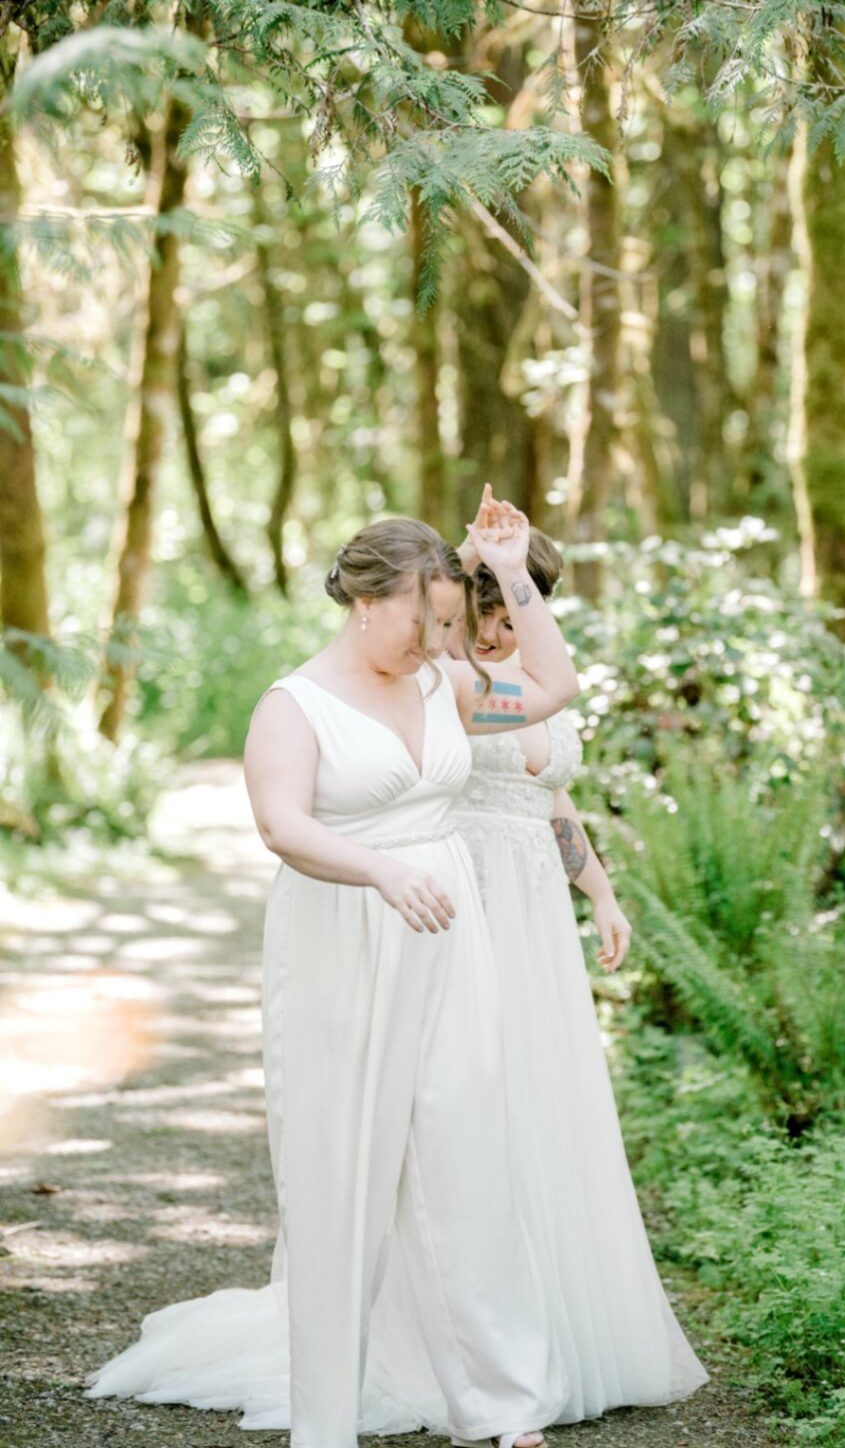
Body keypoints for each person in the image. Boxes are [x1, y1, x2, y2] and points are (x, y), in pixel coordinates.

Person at [86, 510, 579, 1448]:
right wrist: (382, 870)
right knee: (339, 1174)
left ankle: (507, 1410)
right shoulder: (294, 705)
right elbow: (283, 826)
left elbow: (554, 686)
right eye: (422, 619)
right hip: (340, 941)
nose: (436, 638)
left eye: (445, 619)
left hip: (446, 943)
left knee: (468, 1157)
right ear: (364, 599)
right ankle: (327, 1421)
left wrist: (512, 572)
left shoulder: (446, 689)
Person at [449, 492, 709, 1421]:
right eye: (478, 606)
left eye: (507, 607)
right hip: (462, 901)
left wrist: (598, 891)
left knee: (539, 1095)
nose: (491, 626)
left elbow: (552, 803)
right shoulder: (449, 679)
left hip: (532, 919)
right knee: (469, 1096)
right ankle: (468, 1332)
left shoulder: (534, 673)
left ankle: (555, 1310)